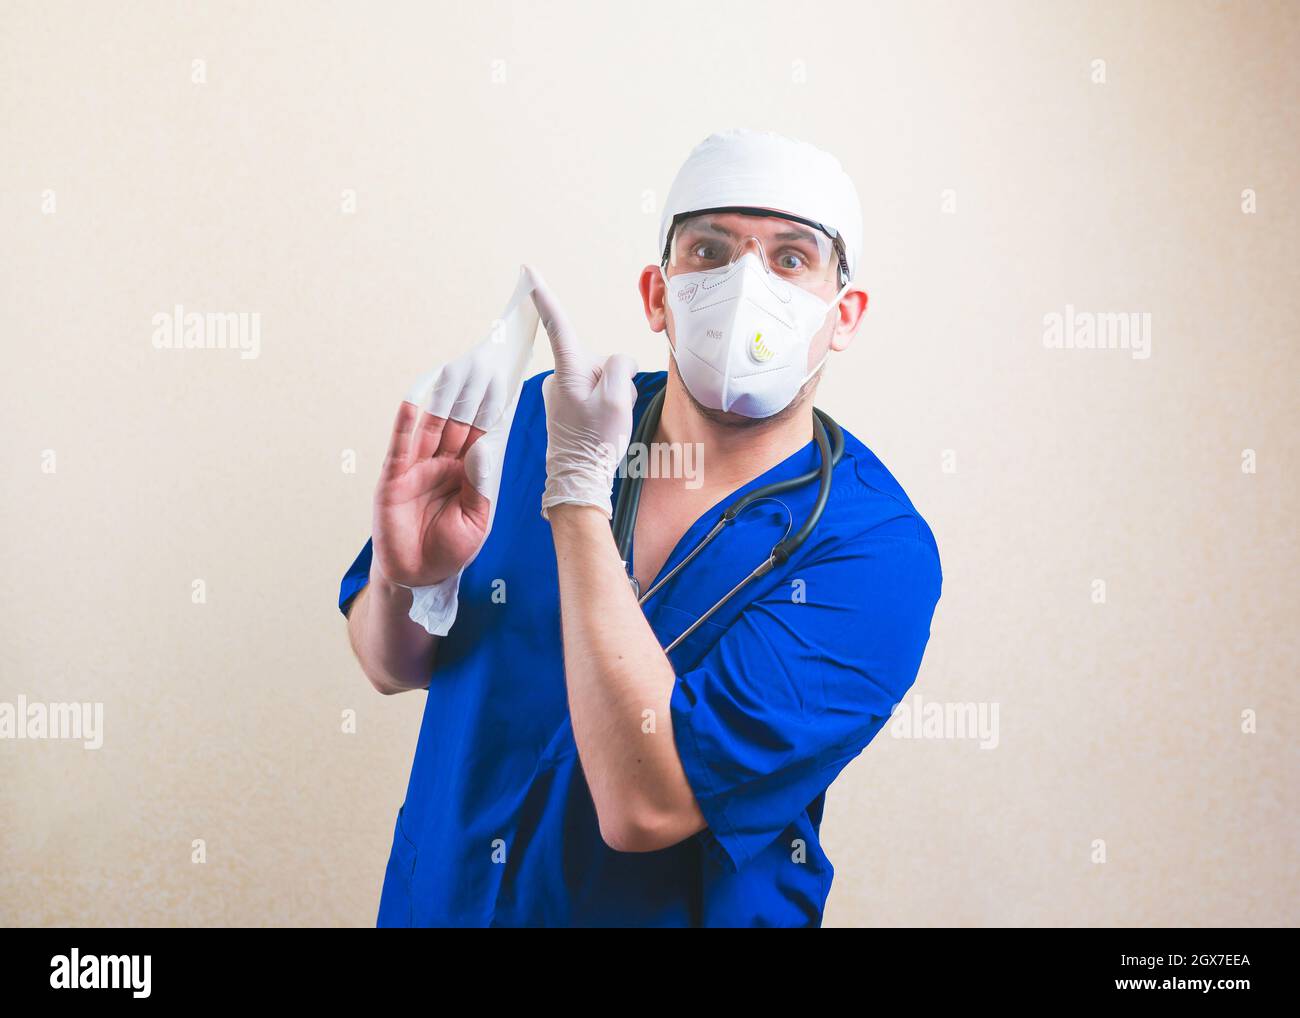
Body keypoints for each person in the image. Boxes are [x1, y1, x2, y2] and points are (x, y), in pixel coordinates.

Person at [339, 128, 942, 927]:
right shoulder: (537, 422)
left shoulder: (874, 554)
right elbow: (391, 665)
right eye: (710, 252)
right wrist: (403, 581)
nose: (745, 284)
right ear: (658, 294)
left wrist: (578, 497)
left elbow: (645, 806)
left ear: (844, 314)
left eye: (791, 258)